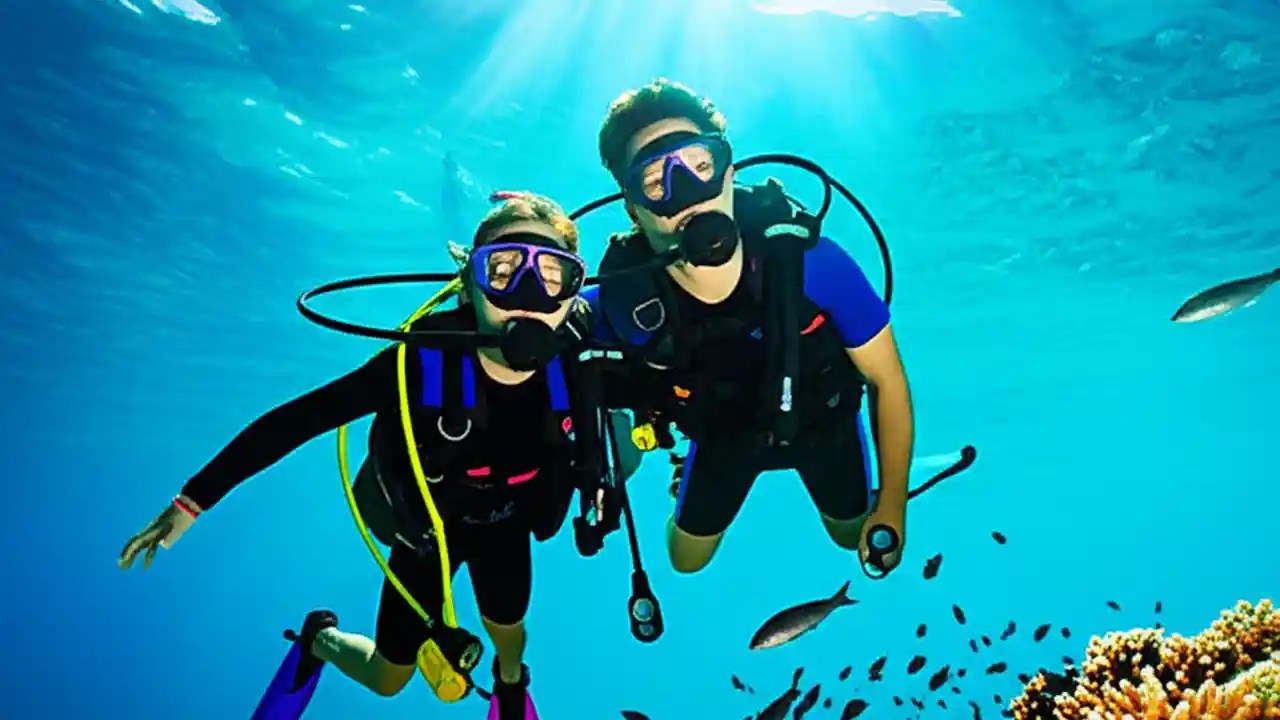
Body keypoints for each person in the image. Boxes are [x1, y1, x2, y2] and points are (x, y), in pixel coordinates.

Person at [118, 192, 625, 720]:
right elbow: (301, 418)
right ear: (470, 283)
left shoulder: (582, 363)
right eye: (502, 269)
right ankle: (321, 639)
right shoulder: (419, 365)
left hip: (508, 523)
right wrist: (194, 499)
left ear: (573, 291)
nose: (525, 294)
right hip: (427, 532)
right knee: (388, 679)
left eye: (550, 274)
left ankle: (511, 682)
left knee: (510, 633)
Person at [581, 78, 915, 578]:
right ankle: (685, 475)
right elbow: (537, 324)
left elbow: (886, 379)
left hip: (822, 422)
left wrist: (893, 504)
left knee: (851, 535)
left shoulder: (813, 264)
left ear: (729, 173)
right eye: (656, 180)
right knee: (685, 562)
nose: (687, 195)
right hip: (722, 435)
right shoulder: (620, 299)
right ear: (633, 207)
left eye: (700, 166)